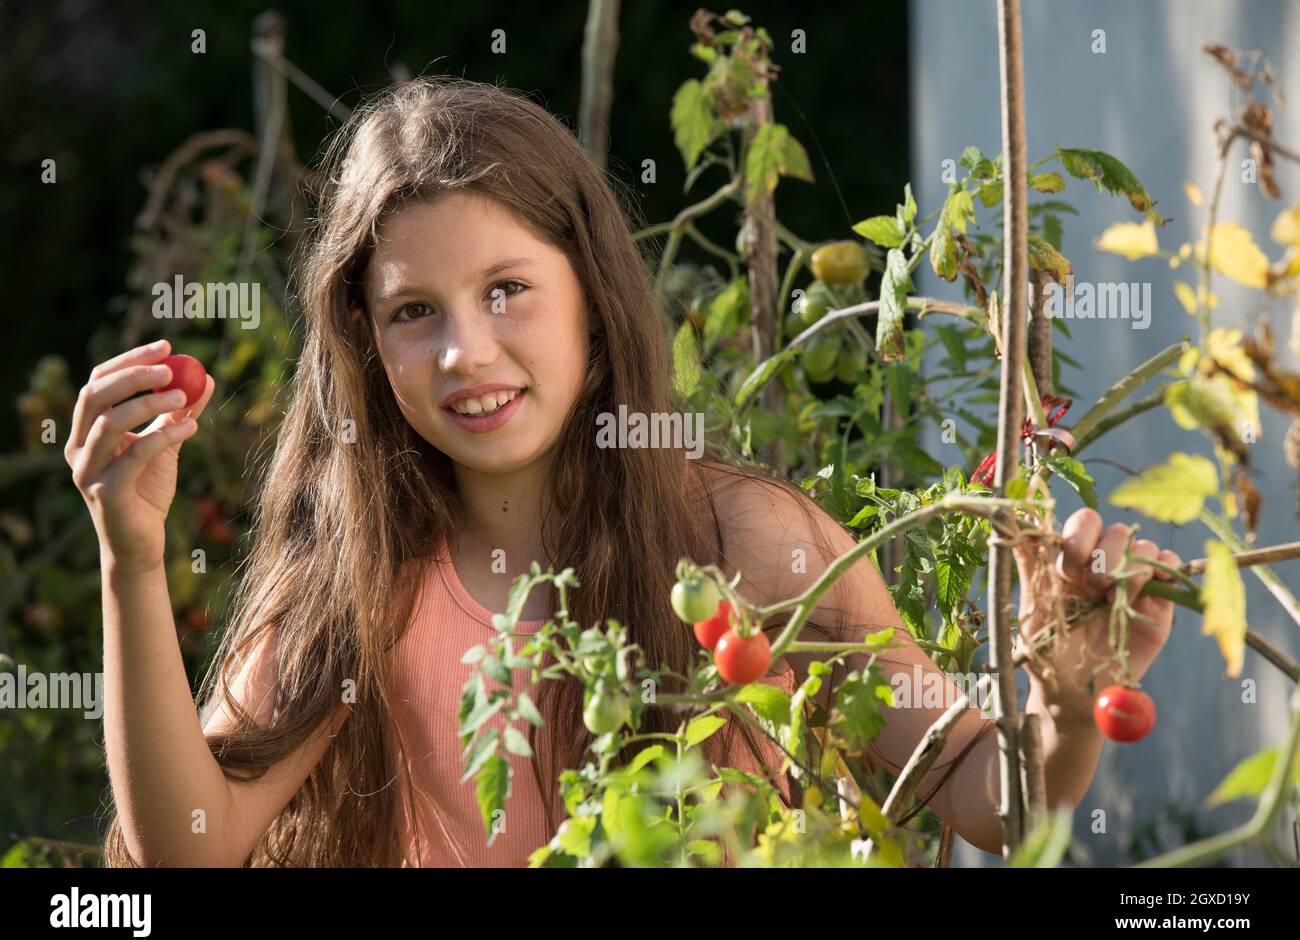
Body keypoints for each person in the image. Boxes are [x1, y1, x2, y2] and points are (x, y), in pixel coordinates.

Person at [67, 77, 1181, 868]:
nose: (467, 351)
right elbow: (190, 847)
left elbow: (987, 800)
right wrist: (132, 556)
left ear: (596, 309)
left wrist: (1066, 702)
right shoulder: (356, 583)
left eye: (507, 289)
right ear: (365, 345)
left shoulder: (747, 544)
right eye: (414, 313)